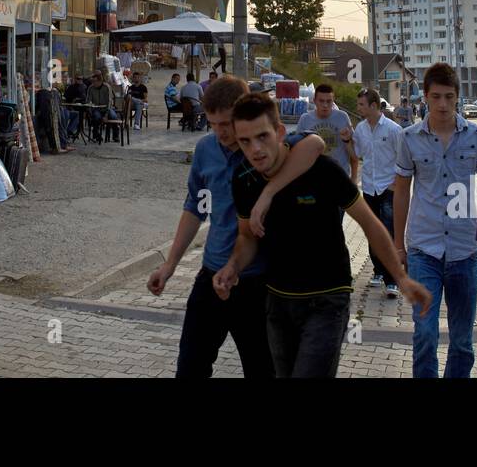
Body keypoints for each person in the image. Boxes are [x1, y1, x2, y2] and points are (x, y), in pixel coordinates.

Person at [214, 94, 432, 377]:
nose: (255, 149)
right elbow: (247, 237)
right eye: (245, 141)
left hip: (327, 300)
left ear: (280, 133)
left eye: (262, 137)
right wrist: (233, 266)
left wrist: (400, 277)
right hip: (278, 301)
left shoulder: (322, 170)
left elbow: (369, 222)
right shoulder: (244, 178)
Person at [147, 76, 323, 377]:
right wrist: (170, 265)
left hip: (258, 282)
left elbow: (314, 143)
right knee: (190, 367)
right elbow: (195, 209)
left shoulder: (264, 147)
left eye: (226, 123)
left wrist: (269, 191)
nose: (220, 132)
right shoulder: (205, 150)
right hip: (212, 275)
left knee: (262, 369)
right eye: (212, 123)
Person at [393, 62, 477, 378]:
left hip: (465, 250)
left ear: (457, 97)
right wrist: (398, 245)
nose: (442, 104)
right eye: (436, 96)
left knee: (463, 341)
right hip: (424, 250)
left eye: (449, 97)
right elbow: (400, 192)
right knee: (424, 334)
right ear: (425, 97)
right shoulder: (409, 138)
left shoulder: (476, 137)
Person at [354, 89, 405, 297]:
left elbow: (403, 159)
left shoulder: (393, 130)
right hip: (369, 187)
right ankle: (378, 270)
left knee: (389, 232)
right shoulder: (360, 129)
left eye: (362, 105)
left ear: (374, 106)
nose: (359, 108)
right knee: (372, 232)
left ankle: (392, 279)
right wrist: (348, 141)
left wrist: (396, 184)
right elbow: (356, 155)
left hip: (388, 187)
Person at [296, 83, 358, 183]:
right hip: (315, 178)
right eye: (321, 101)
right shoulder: (305, 119)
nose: (325, 105)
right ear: (314, 101)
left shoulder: (342, 117)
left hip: (341, 177)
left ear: (333, 101)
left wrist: (354, 179)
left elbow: (354, 154)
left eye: (329, 101)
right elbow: (297, 153)